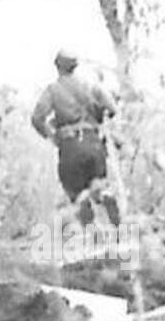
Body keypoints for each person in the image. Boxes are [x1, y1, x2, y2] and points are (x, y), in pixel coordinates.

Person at [31, 50, 119, 226]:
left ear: (57, 67)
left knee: (78, 197)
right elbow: (112, 108)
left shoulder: (53, 90)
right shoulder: (91, 85)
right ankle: (105, 200)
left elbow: (37, 118)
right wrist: (99, 118)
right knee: (98, 184)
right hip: (93, 143)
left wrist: (52, 136)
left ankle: (92, 236)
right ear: (75, 66)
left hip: (70, 147)